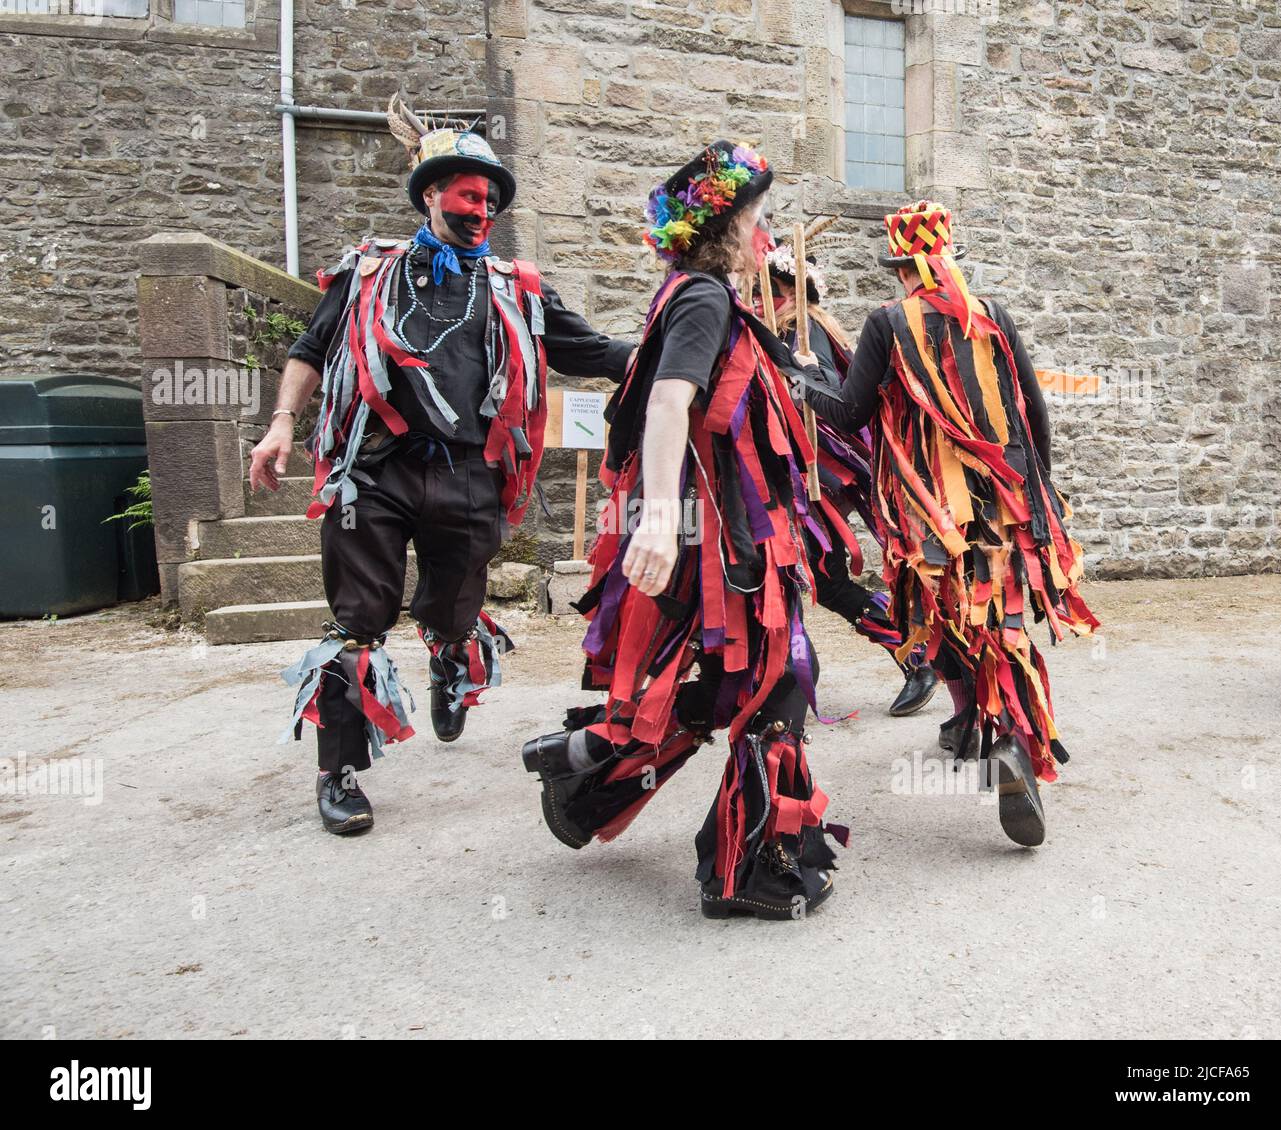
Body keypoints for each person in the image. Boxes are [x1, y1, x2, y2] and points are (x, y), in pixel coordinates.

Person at [249, 96, 633, 835]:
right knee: (357, 621)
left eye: (490, 198)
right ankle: (341, 773)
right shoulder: (369, 274)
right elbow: (310, 350)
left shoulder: (515, 290)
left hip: (469, 476)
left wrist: (678, 351)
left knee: (455, 606)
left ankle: (452, 657)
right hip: (375, 470)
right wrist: (280, 426)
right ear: (430, 193)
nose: (481, 208)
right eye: (467, 194)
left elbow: (592, 349)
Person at [521, 141, 847, 920]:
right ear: (723, 225)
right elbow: (669, 400)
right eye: (755, 218)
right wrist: (662, 520)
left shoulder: (691, 296)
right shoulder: (702, 297)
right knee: (779, 682)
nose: (763, 234)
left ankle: (586, 781)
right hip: (720, 545)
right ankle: (750, 870)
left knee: (738, 683)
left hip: (727, 536)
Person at [799, 200, 1099, 847]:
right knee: (1003, 623)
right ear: (947, 254)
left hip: (930, 509)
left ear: (902, 264)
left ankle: (968, 720)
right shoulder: (993, 317)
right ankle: (1011, 743)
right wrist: (1039, 493)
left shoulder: (888, 323)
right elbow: (1033, 411)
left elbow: (850, 414)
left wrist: (800, 385)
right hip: (1011, 499)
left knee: (941, 614)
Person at [763, 239, 938, 717]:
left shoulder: (801, 333)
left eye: (767, 294)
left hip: (810, 480)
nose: (758, 303)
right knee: (808, 579)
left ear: (788, 294)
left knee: (828, 579)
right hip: (794, 480)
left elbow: (832, 399)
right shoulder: (798, 331)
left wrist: (793, 379)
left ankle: (917, 655)